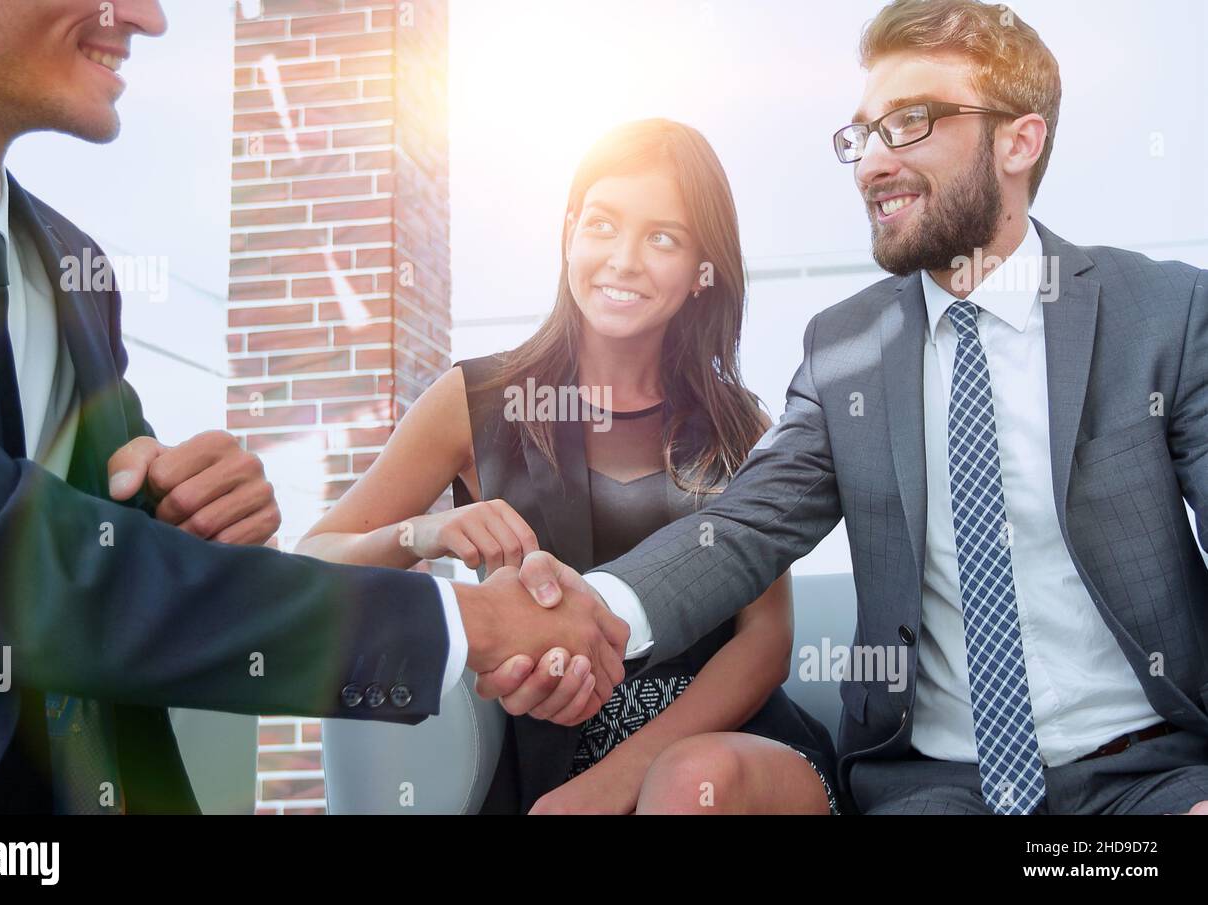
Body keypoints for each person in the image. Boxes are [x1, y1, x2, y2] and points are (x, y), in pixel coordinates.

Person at [480, 0, 1208, 816]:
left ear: (1019, 140)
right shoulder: (845, 349)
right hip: (938, 785)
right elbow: (746, 526)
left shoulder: (1164, 314)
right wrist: (599, 609)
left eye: (911, 123)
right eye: (863, 135)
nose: (870, 164)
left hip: (1152, 776)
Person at [0, 0, 626, 814]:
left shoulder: (75, 267)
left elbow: (103, 555)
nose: (147, 18)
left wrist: (174, 512)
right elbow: (16, 564)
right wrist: (469, 622)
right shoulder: (473, 397)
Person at [299, 119, 839, 814]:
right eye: (603, 224)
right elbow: (313, 563)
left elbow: (765, 641)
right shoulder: (475, 404)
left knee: (687, 785)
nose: (623, 260)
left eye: (663, 238)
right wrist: (424, 535)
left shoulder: (744, 427)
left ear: (703, 269)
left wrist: (612, 785)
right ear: (568, 233)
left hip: (736, 755)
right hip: (548, 761)